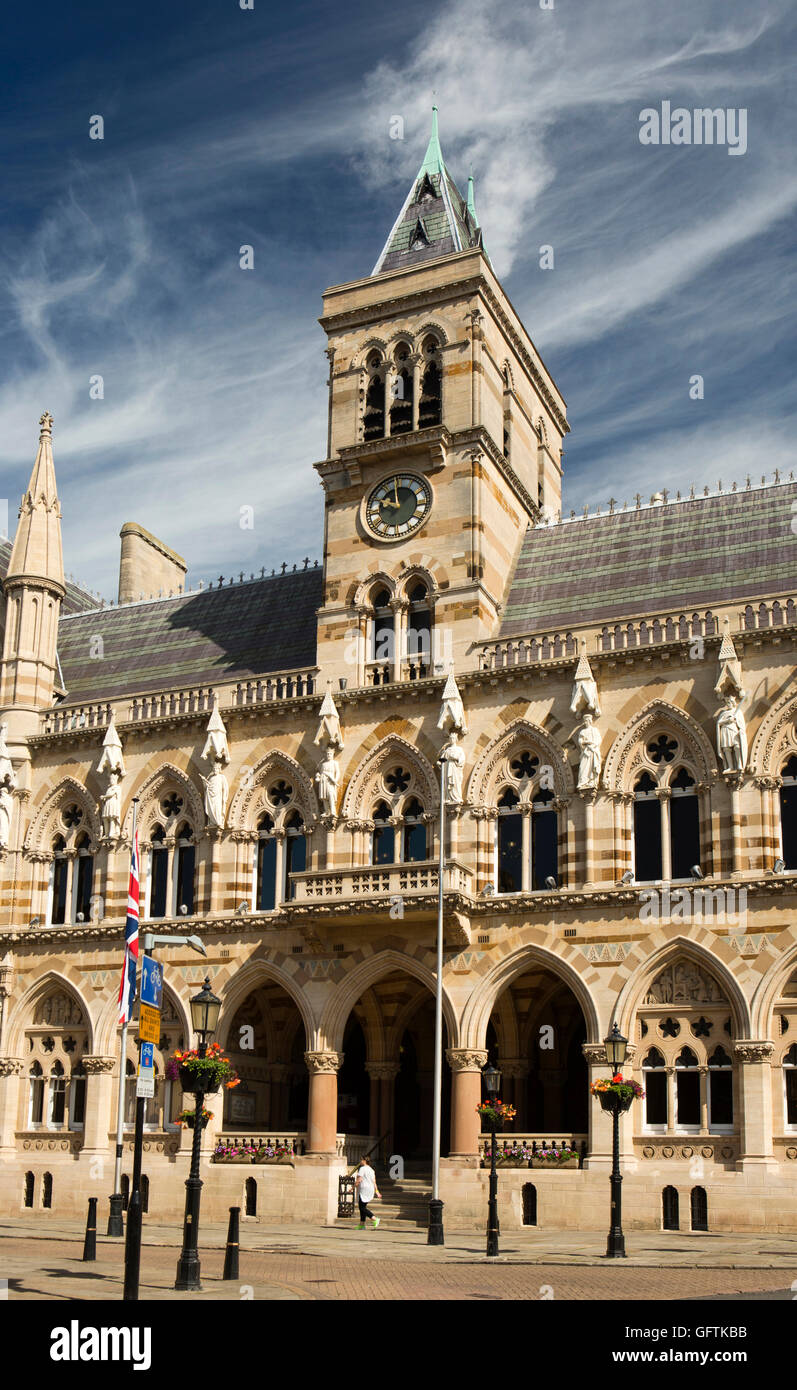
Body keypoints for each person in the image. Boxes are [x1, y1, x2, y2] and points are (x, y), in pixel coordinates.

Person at [354, 1154, 381, 1230]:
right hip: (370, 1189)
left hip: (364, 1189)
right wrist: (377, 1191)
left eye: (361, 1160)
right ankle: (362, 1225)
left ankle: (374, 1218)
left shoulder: (362, 1169)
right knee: (363, 1206)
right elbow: (374, 1182)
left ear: (364, 1161)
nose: (360, 1161)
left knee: (361, 1207)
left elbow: (359, 1180)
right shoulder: (371, 1170)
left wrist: (352, 1187)